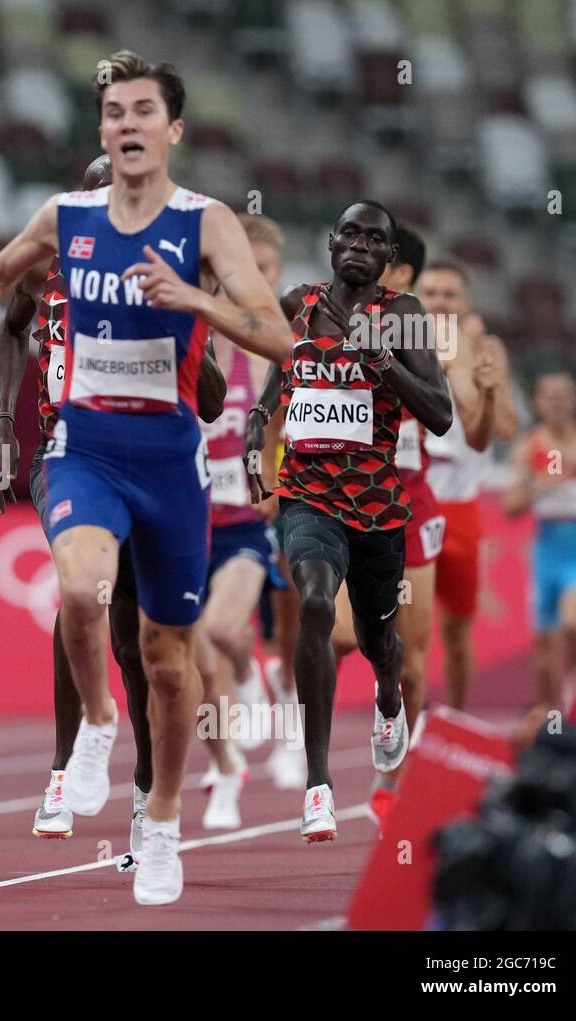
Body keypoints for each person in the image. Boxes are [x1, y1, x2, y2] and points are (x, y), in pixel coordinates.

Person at [0, 50, 291, 904]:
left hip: (171, 458)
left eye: (144, 112)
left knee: (170, 665)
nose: (127, 124)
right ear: (102, 131)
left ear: (173, 130)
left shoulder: (209, 225)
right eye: (114, 113)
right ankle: (96, 722)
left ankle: (163, 822)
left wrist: (195, 300)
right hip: (85, 446)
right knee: (81, 585)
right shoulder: (67, 216)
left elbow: (280, 336)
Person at [0, 153, 226, 852]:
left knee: (136, 639)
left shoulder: (167, 272)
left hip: (148, 463)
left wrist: (184, 319)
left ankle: (150, 796)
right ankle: (64, 769)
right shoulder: (47, 265)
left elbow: (210, 401)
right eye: (97, 195)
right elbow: (8, 327)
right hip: (67, 457)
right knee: (78, 591)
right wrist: (4, 424)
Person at [245, 200, 452, 843]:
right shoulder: (296, 306)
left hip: (379, 509)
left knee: (378, 643)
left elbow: (442, 412)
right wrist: (257, 432)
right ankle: (318, 783)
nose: (361, 244)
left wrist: (383, 362)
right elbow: (277, 384)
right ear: (332, 244)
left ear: (389, 258)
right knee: (311, 604)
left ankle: (389, 700)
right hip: (308, 496)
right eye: (350, 233)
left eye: (375, 238)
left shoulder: (404, 316)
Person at [323, 226, 440, 830]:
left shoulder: (421, 326)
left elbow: (461, 418)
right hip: (351, 491)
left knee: (414, 663)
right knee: (342, 633)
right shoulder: (336, 313)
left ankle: (393, 777)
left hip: (414, 500)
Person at [192, 212, 290, 828]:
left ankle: (258, 676)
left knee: (224, 631)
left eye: (258, 271)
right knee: (195, 659)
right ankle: (225, 767)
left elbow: (290, 432)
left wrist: (274, 487)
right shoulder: (195, 336)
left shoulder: (273, 349)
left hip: (247, 526)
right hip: (185, 520)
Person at [417, 261, 519, 709]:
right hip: (408, 498)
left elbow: (509, 428)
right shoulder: (399, 341)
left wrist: (487, 386)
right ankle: (406, 725)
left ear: (467, 303)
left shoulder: (486, 347)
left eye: (449, 294)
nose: (439, 302)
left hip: (460, 504)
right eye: (431, 293)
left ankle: (455, 719)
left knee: (457, 630)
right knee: (402, 627)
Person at [505, 378, 576, 706]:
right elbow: (510, 507)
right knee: (545, 652)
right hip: (547, 552)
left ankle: (574, 697)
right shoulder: (528, 447)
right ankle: (550, 719)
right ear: (538, 403)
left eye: (564, 396)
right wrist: (542, 484)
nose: (558, 403)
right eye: (551, 397)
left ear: (575, 402)